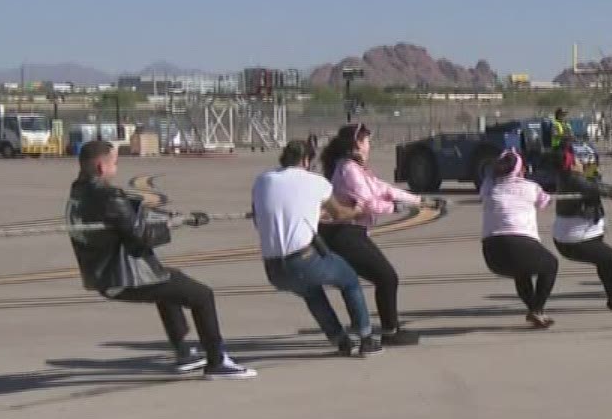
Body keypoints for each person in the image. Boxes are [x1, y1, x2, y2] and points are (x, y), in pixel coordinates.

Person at [66, 139, 254, 378]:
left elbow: (123, 219)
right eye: (115, 162)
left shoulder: (79, 191)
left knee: (167, 284)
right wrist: (176, 223)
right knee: (202, 295)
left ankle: (185, 353)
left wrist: (158, 216)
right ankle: (217, 361)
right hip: (124, 278)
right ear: (102, 167)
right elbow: (141, 236)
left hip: (102, 276)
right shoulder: (108, 195)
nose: (116, 167)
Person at [252, 140, 381, 356]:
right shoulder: (317, 182)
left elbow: (261, 219)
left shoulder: (262, 180)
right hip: (304, 259)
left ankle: (341, 341)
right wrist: (359, 210)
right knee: (349, 280)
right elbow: (339, 214)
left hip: (273, 269)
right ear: (305, 160)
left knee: (311, 292)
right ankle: (366, 337)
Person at [319, 123, 426, 346]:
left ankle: (373, 329)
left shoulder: (355, 168)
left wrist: (417, 200)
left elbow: (383, 188)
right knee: (386, 277)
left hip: (350, 233)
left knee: (371, 280)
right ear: (356, 145)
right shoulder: (348, 169)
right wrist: (395, 208)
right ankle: (388, 332)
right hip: (343, 233)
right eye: (367, 141)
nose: (370, 146)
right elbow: (369, 203)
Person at [553, 145, 612, 311]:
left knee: (605, 262)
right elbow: (597, 189)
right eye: (581, 160)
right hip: (574, 240)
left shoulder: (579, 176)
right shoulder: (572, 179)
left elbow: (600, 184)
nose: (588, 164)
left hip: (587, 233)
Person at [480, 150, 560, 327]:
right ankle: (537, 309)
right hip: (520, 244)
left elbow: (487, 179)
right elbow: (544, 203)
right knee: (551, 265)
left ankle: (534, 311)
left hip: (492, 252)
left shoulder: (489, 186)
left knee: (522, 273)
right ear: (520, 169)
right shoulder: (530, 187)